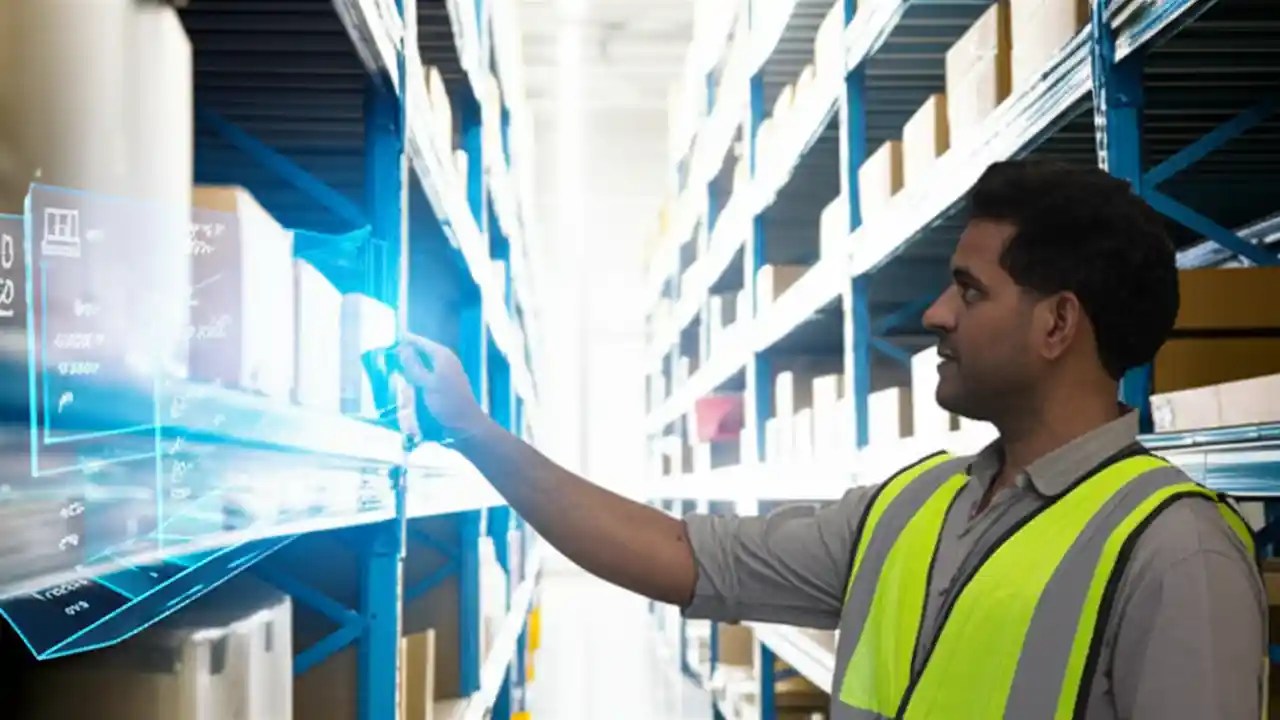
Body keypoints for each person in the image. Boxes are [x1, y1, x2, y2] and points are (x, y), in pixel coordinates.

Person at [396, 159, 1266, 719]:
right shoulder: (913, 506)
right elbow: (677, 553)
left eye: (968, 291)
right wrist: (474, 433)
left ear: (1057, 324)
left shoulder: (1173, 552)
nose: (934, 315)